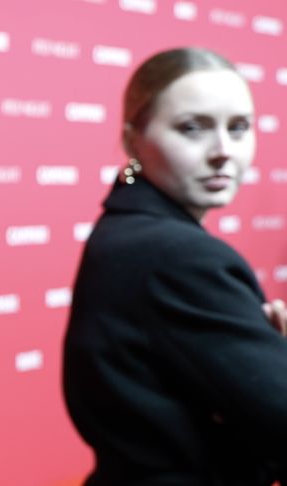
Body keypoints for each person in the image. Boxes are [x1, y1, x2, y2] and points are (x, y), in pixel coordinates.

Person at [62, 47, 287, 485]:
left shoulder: (127, 230)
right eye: (192, 128)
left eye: (238, 128)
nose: (223, 151)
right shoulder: (178, 254)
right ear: (132, 140)